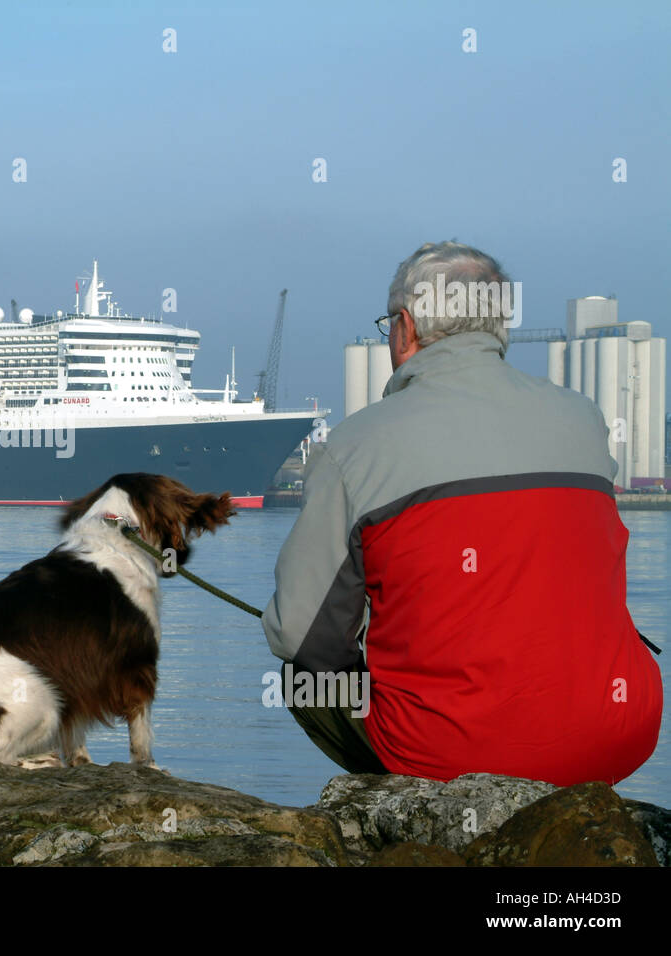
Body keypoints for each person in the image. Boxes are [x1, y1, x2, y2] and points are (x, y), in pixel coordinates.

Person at [262, 240, 662, 785]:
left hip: (449, 756)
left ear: (405, 328)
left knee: (301, 678)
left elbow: (300, 636)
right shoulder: (582, 418)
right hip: (618, 734)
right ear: (498, 327)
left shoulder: (354, 445)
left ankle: (410, 805)